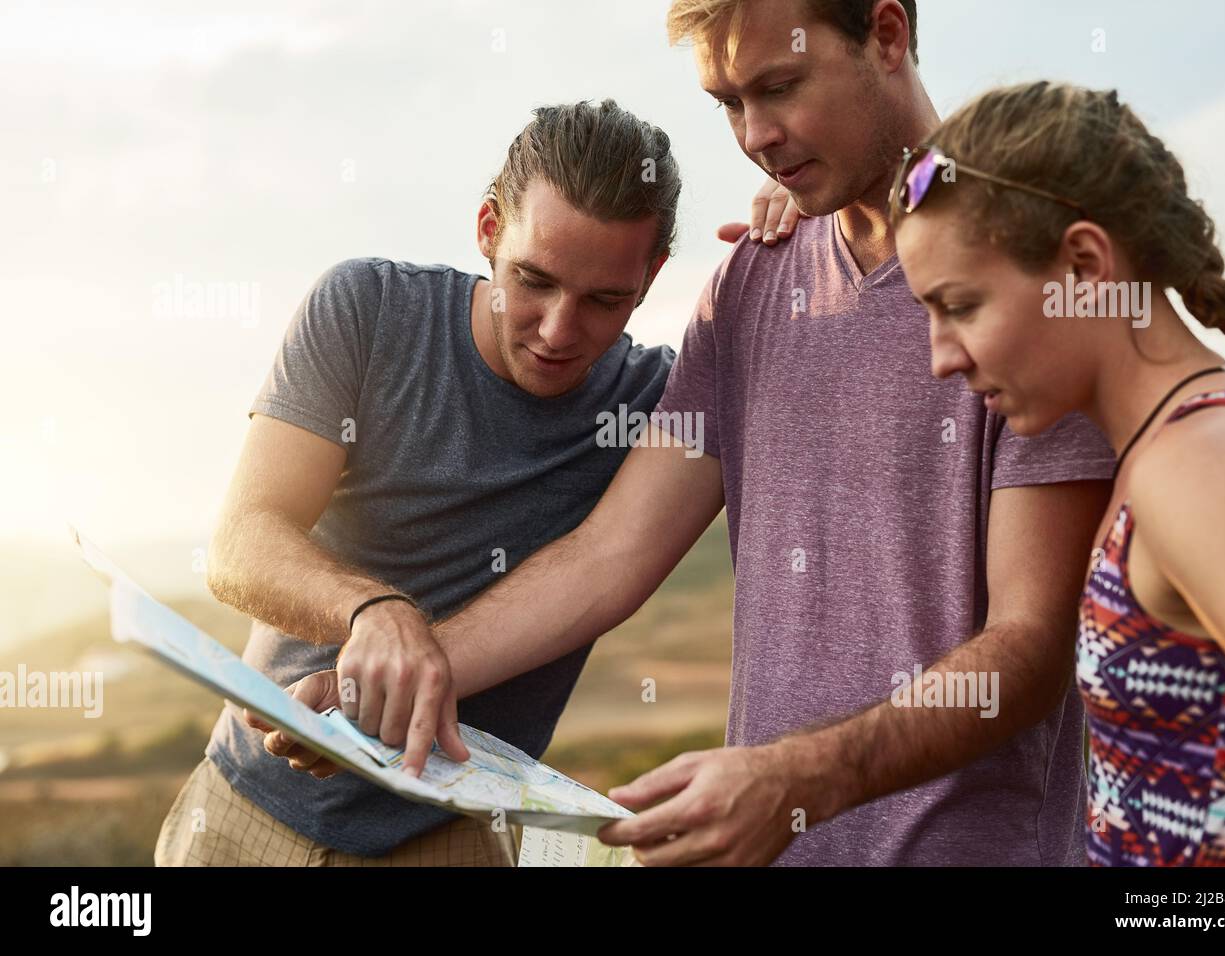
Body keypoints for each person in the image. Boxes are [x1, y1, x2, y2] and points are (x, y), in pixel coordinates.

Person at [266, 0, 1121, 867]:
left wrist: (796, 778)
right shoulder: (750, 281)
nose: (756, 135)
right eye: (727, 102)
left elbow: (1035, 644)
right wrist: (374, 683)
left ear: (889, 36)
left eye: (779, 87)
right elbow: (608, 557)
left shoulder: (1036, 279)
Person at [152, 99, 681, 866]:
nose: (560, 331)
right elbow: (239, 544)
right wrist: (373, 609)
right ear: (489, 229)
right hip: (241, 810)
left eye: (605, 300)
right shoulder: (366, 309)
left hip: (449, 841)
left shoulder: (654, 405)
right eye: (534, 281)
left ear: (653, 273)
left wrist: (798, 217)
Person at [888, 80, 1225, 866]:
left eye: (962, 306)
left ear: (1083, 265)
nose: (942, 358)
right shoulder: (1167, 454)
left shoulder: (1204, 464)